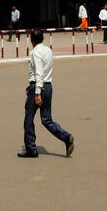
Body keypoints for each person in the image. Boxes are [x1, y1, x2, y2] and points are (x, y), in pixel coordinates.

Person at [20, 30, 74, 158]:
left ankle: (31, 149)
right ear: (43, 38)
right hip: (49, 86)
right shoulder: (48, 50)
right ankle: (66, 137)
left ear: (31, 40)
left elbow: (39, 73)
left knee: (29, 118)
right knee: (47, 119)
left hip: (38, 87)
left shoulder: (35, 52)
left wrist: (37, 93)